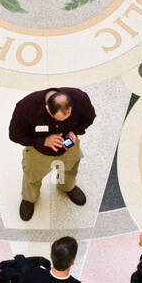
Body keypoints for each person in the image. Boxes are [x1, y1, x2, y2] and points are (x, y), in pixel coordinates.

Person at [8, 87, 95, 221]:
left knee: (71, 168)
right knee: (32, 176)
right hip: (39, 151)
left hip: (68, 147)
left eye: (67, 117)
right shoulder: (26, 107)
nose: (62, 122)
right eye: (59, 119)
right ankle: (29, 198)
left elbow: (89, 117)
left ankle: (68, 187)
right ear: (48, 109)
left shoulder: (80, 98)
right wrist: (43, 141)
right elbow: (15, 135)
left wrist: (75, 131)